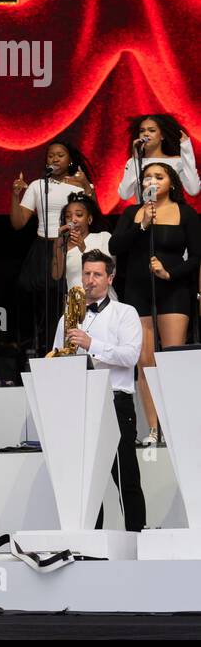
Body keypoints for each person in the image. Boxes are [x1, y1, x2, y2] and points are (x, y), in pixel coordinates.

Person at [50, 251, 145, 531]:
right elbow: (56, 357)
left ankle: (136, 540)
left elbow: (130, 356)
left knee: (125, 476)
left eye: (97, 274)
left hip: (115, 402)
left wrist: (92, 344)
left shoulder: (125, 313)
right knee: (86, 483)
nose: (90, 281)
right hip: (80, 403)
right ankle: (90, 544)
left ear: (110, 278)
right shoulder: (68, 316)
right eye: (86, 274)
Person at [109, 162, 201, 444]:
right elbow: (115, 247)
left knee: (172, 358)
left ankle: (178, 425)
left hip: (173, 289)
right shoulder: (132, 213)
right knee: (145, 362)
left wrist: (169, 272)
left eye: (158, 176)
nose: (152, 180)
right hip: (138, 291)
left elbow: (197, 257)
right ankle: (154, 429)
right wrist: (142, 225)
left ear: (171, 182)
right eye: (147, 176)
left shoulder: (185, 213)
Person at [10, 138, 96, 352]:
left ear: (69, 160)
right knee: (42, 306)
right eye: (51, 155)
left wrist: (85, 185)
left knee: (66, 301)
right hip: (43, 248)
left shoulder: (81, 185)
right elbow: (19, 222)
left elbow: (95, 214)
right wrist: (15, 194)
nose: (55, 158)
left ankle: (71, 349)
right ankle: (44, 350)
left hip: (71, 245)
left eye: (60, 154)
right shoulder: (39, 185)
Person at [117, 115, 199, 202]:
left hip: (171, 213)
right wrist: (136, 159)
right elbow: (125, 194)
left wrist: (187, 150)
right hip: (143, 214)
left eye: (152, 130)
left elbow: (193, 190)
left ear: (162, 136)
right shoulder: (133, 162)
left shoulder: (177, 161)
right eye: (142, 131)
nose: (146, 134)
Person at [50, 193, 115, 299]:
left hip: (103, 302)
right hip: (75, 306)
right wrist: (58, 247)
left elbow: (110, 270)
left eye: (79, 215)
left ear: (89, 219)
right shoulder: (63, 244)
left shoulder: (103, 237)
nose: (73, 220)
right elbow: (56, 275)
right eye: (68, 216)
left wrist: (83, 248)